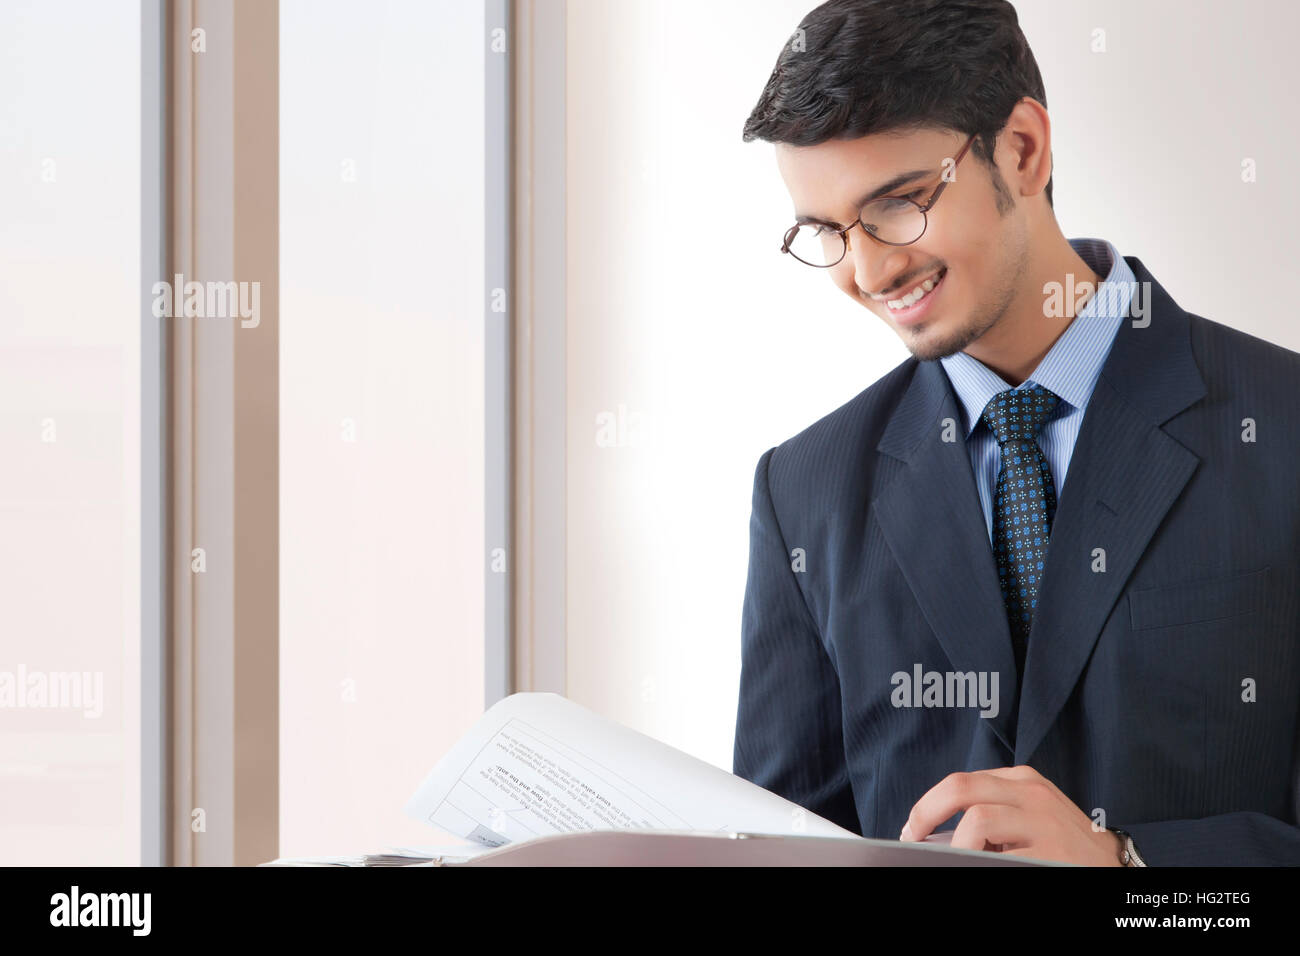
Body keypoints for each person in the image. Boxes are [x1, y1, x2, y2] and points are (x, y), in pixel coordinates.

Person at [732, 0, 1300, 865]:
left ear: (1023, 150)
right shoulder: (803, 490)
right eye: (827, 232)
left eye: (900, 204)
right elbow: (781, 851)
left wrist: (1130, 870)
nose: (871, 269)